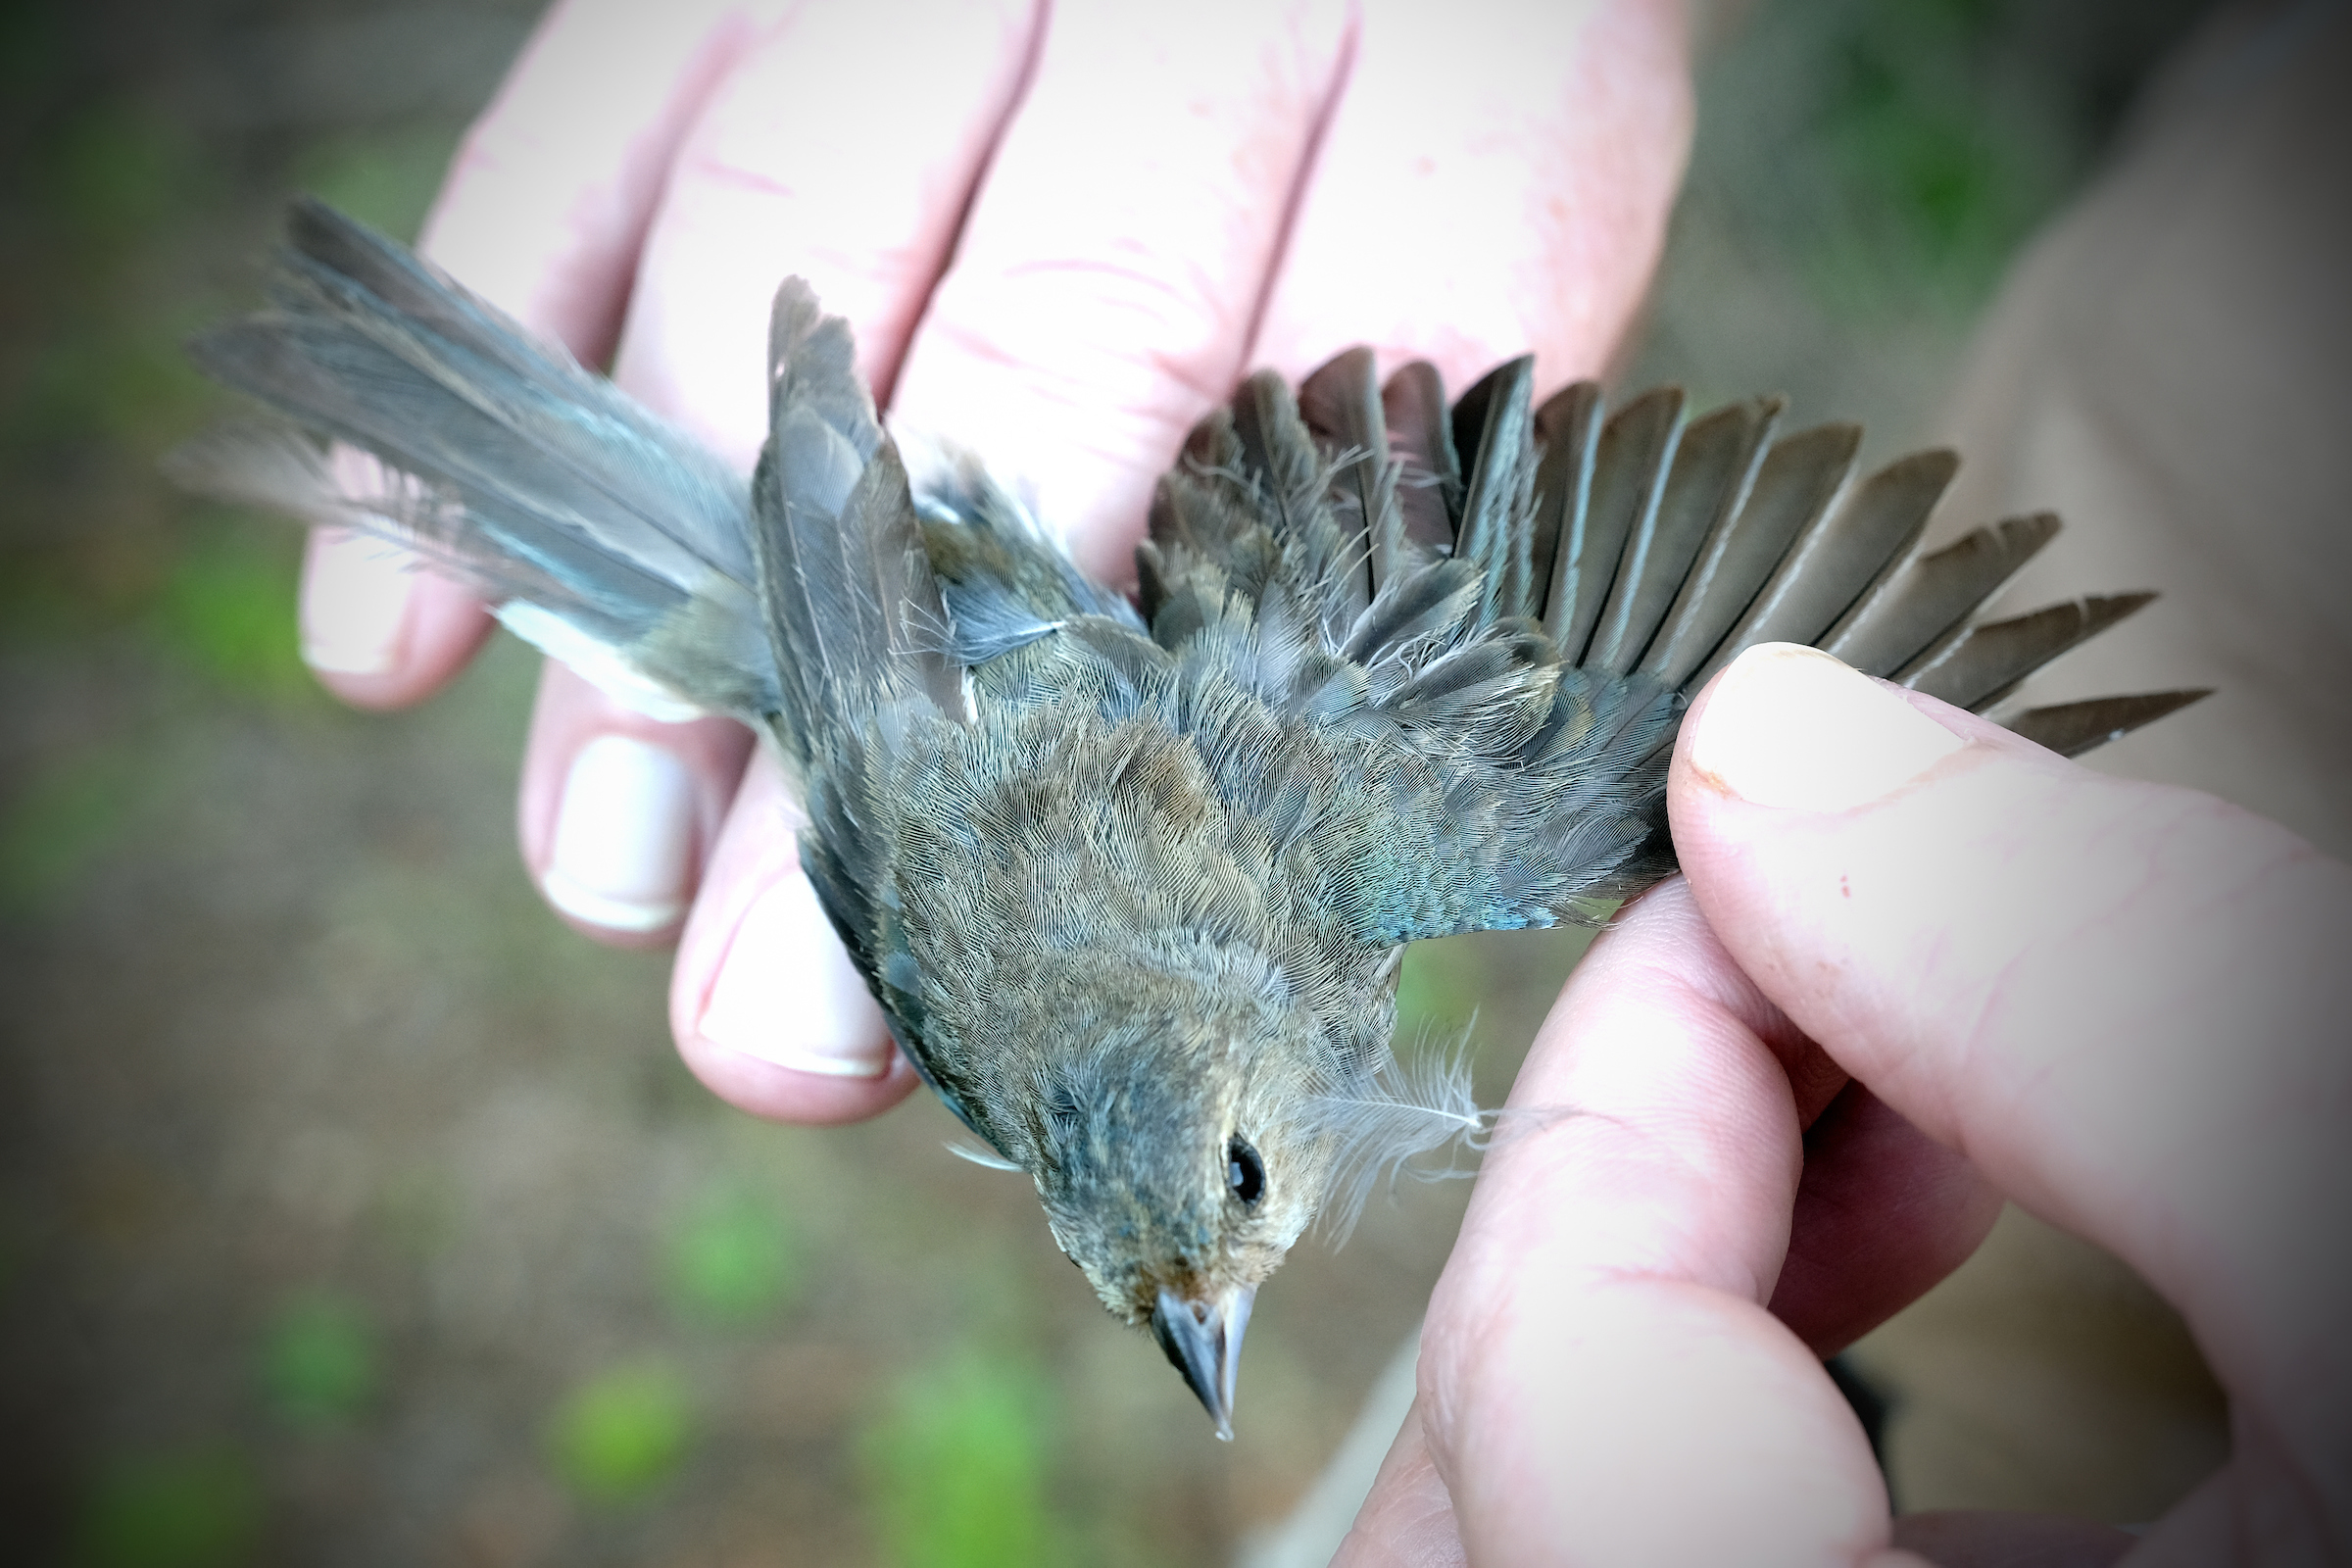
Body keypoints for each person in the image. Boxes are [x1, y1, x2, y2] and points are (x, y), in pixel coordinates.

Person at [287, 0, 2351, 1560]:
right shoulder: (1219, 926)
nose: (1218, 1304)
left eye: (1221, 1217)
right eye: (1184, 1284)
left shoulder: (1368, 833)